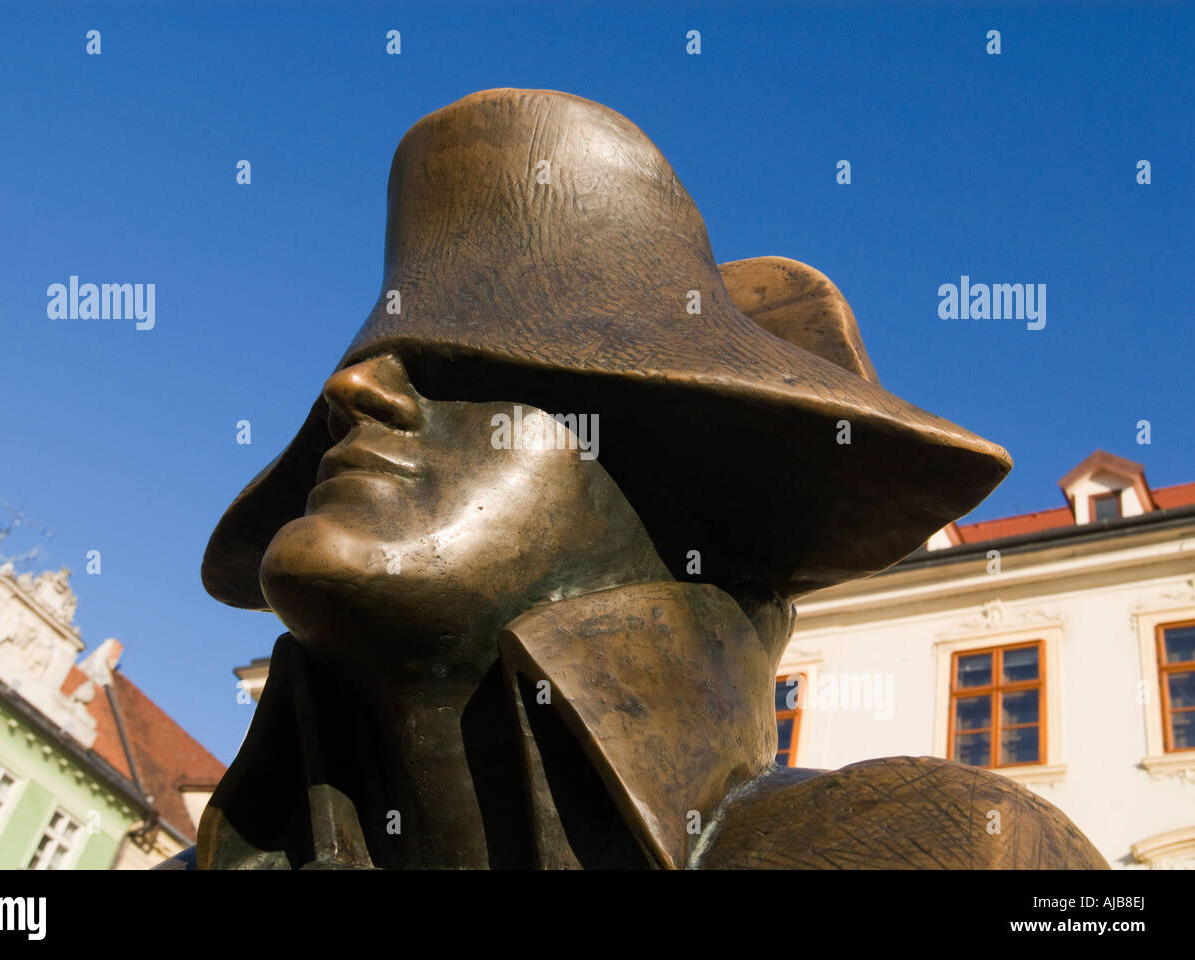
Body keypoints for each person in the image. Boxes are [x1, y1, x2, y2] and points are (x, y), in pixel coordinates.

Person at [177, 89, 1106, 870]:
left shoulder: (933, 850)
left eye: (462, 370)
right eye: (377, 355)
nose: (351, 388)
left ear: (664, 481)